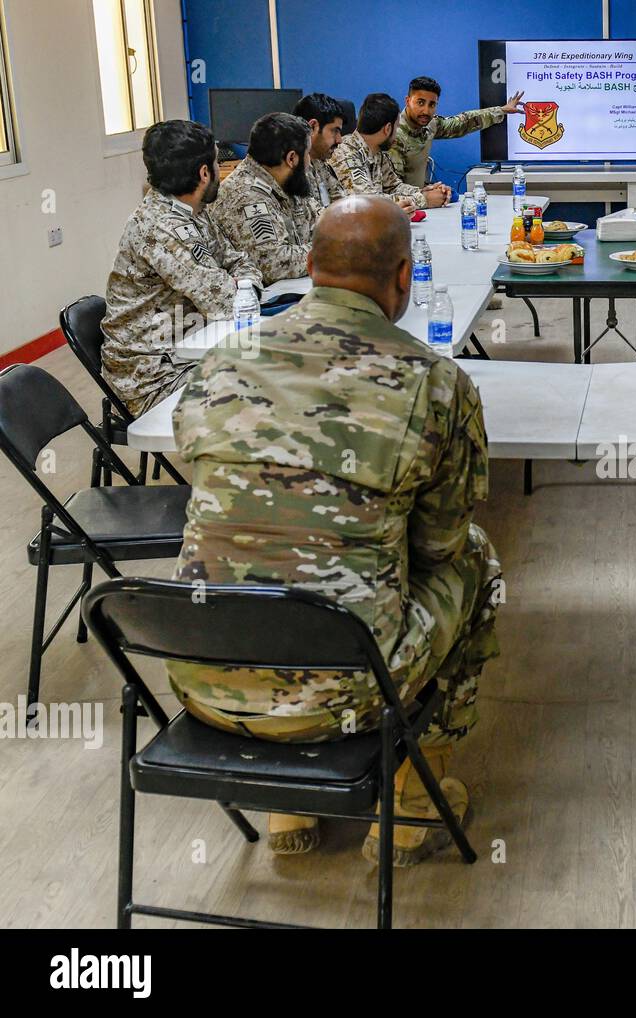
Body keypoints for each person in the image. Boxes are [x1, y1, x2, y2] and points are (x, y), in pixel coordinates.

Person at [168, 195, 502, 865]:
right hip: (352, 688)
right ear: (405, 276)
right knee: (476, 560)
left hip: (202, 672)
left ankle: (287, 807)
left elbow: (209, 475)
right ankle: (407, 806)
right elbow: (438, 545)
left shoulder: (222, 363)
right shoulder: (436, 382)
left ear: (309, 265)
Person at [102, 119, 261, 417]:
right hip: (153, 377)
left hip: (188, 349)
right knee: (270, 385)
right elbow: (226, 301)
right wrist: (242, 288)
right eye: (216, 163)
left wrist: (243, 284)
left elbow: (239, 260)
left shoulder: (193, 211)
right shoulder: (159, 227)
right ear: (204, 173)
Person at [209, 112, 315, 284]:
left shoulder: (287, 182)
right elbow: (274, 264)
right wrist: (330, 250)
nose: (309, 161)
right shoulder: (245, 195)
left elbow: (320, 221)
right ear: (291, 158)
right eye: (307, 153)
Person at [388, 75, 524, 187]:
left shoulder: (429, 125)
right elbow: (393, 189)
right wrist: (426, 197)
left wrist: (501, 110)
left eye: (432, 104)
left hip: (419, 203)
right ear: (407, 101)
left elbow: (461, 123)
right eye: (420, 102)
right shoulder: (395, 136)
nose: (426, 111)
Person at [330, 93, 447, 211]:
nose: (396, 134)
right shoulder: (345, 152)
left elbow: (394, 186)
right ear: (387, 129)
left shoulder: (377, 152)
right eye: (396, 128)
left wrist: (426, 191)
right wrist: (423, 199)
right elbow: (367, 202)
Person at [293, 91, 346, 211]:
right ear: (312, 127)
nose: (339, 140)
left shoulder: (320, 164)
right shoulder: (291, 171)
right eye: (335, 131)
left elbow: (342, 204)